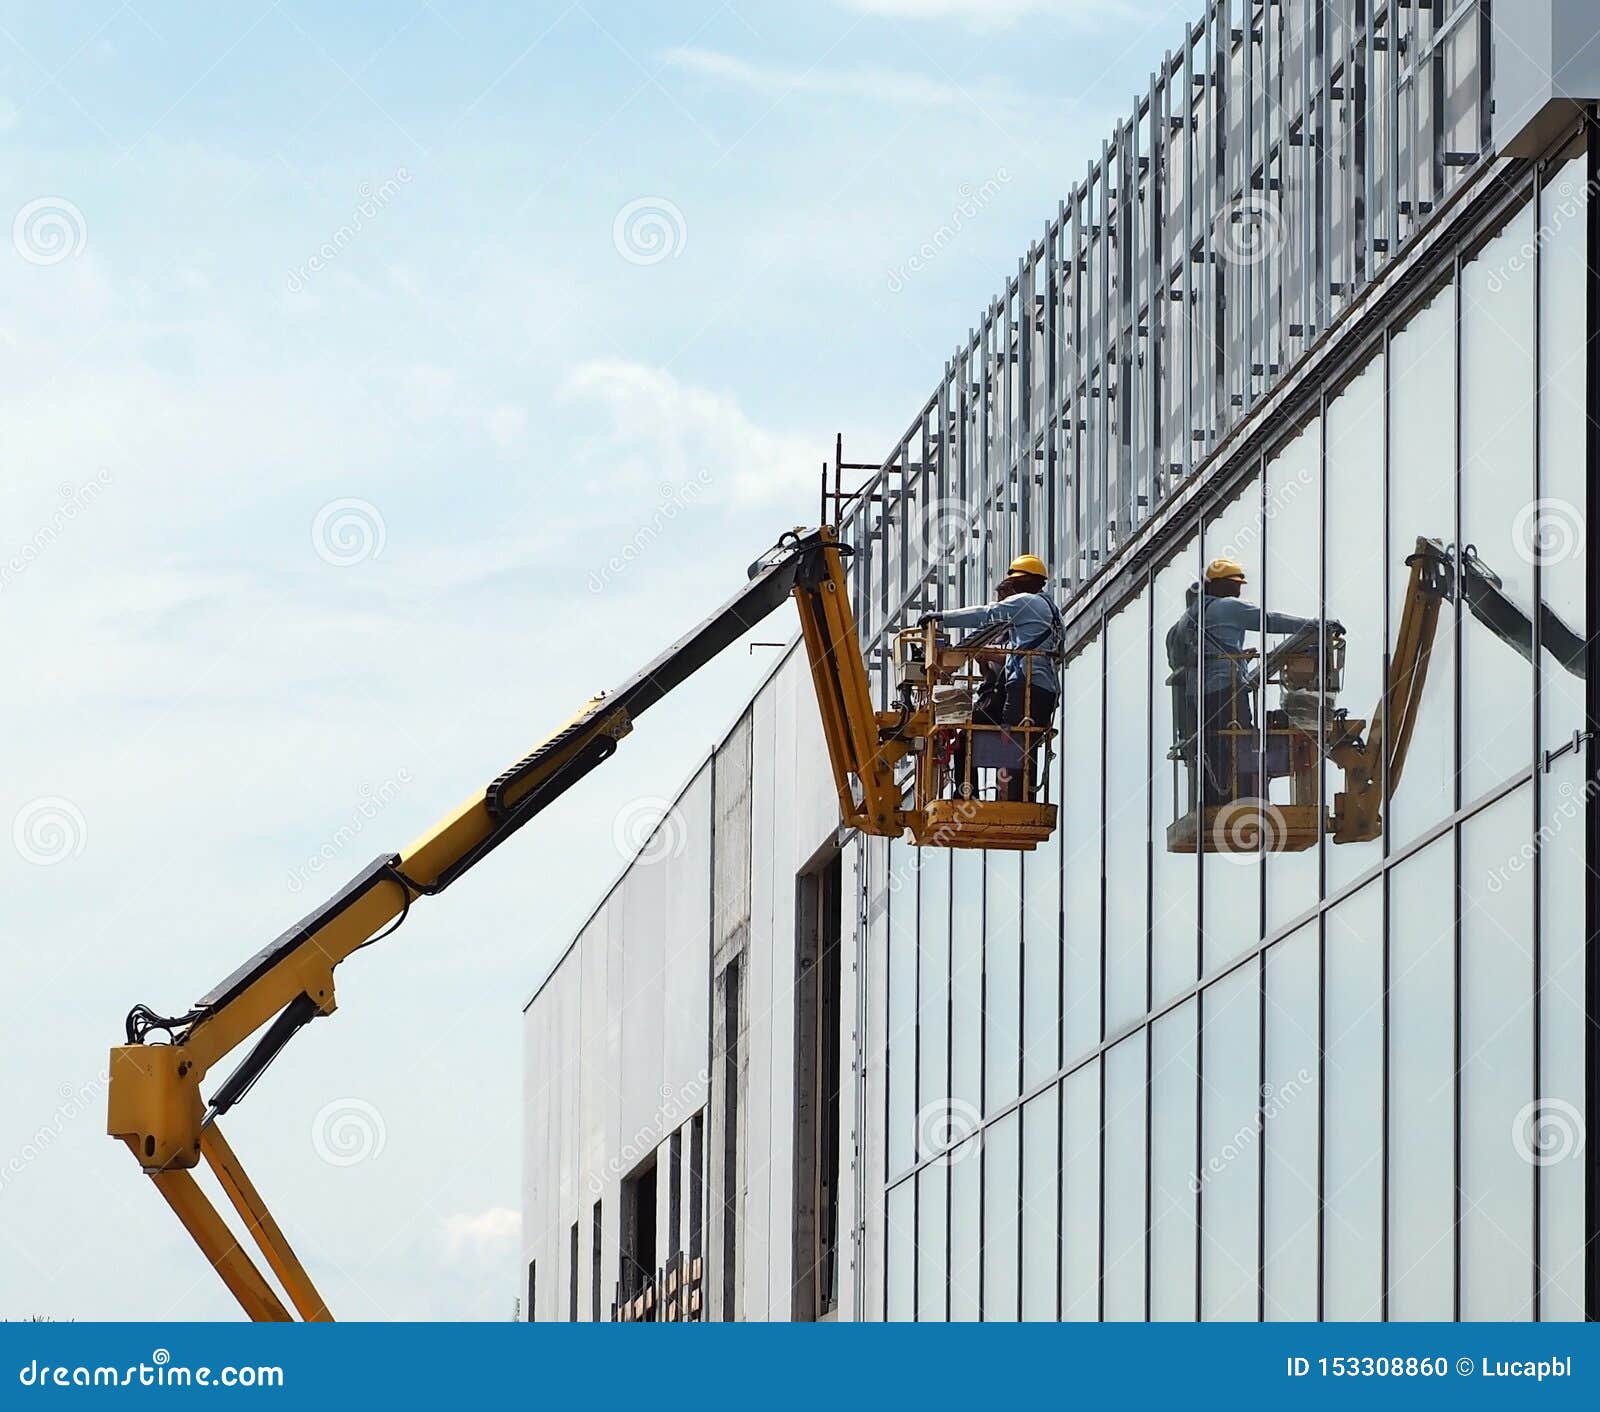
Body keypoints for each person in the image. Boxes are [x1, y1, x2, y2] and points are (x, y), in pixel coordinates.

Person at [1169, 556, 1328, 804]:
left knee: (1213, 748)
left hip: (1195, 698)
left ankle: (1215, 801)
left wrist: (1234, 658)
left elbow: (1177, 659)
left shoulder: (1185, 621)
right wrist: (1317, 625)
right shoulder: (1225, 607)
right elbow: (1269, 620)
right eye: (1235, 582)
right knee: (1238, 743)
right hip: (1225, 690)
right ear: (1218, 584)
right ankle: (1242, 799)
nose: (1239, 588)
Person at [923, 553, 1062, 802]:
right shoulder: (1050, 610)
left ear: (1025, 583)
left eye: (1014, 584)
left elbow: (985, 613)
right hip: (1045, 691)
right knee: (1019, 738)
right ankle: (1017, 798)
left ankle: (983, 796)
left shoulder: (1027, 602)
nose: (1011, 590)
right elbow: (1025, 652)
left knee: (1006, 739)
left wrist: (941, 617)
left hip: (1026, 687)